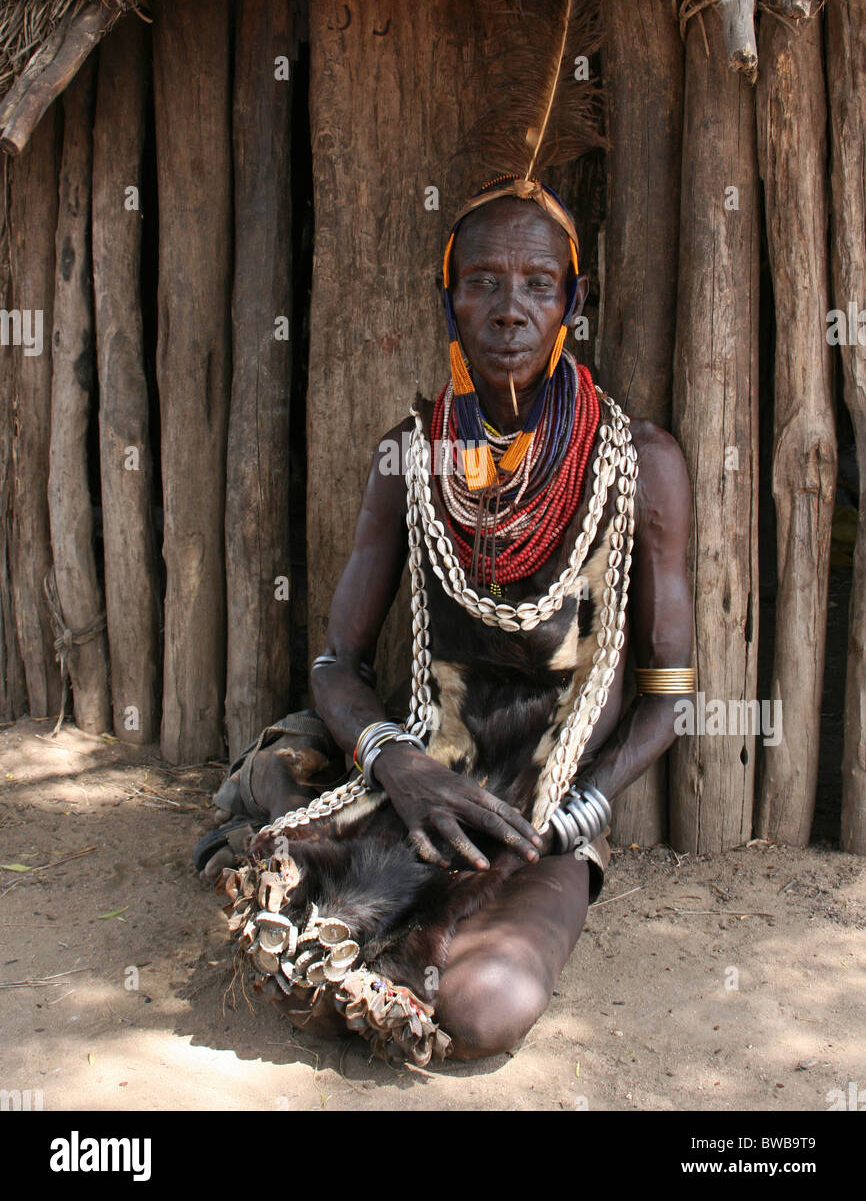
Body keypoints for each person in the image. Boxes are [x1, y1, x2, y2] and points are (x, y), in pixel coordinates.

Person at [197, 175, 694, 1066]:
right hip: (428, 771)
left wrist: (579, 809)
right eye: (484, 283)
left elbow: (668, 693)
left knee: (479, 1010)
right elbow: (336, 662)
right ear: (450, 298)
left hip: (546, 803)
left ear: (572, 302)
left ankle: (306, 806)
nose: (510, 311)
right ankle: (288, 782)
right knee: (276, 905)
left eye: (539, 285)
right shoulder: (411, 455)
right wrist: (398, 762)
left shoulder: (639, 463)